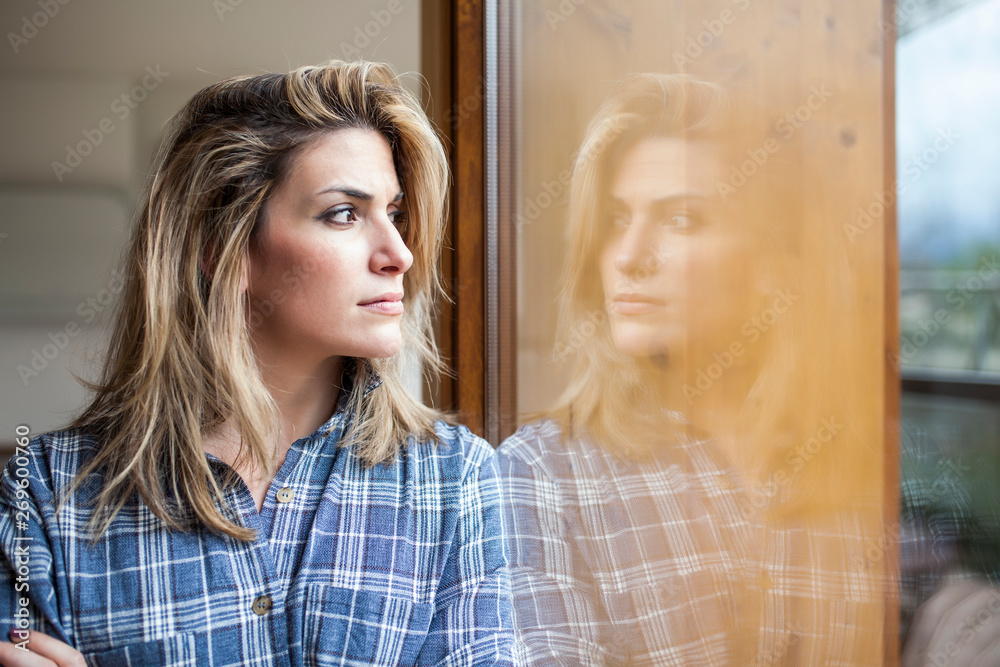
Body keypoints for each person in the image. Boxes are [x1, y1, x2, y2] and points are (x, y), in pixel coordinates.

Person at [0, 61, 513, 666]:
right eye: (344, 213)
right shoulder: (44, 493)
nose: (399, 253)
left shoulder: (454, 480)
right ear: (222, 247)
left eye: (395, 213)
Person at [497, 73, 1000, 665]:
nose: (629, 257)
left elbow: (949, 611)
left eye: (680, 220)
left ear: (775, 265)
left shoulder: (858, 458)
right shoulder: (538, 478)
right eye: (616, 219)